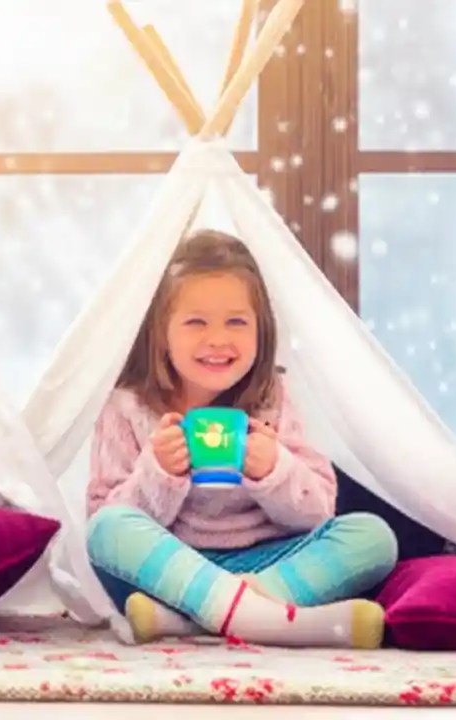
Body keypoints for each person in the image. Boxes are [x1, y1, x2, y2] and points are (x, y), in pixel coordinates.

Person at [85, 229, 398, 649]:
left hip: (266, 563)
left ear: (261, 331)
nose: (218, 339)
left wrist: (274, 469)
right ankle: (264, 618)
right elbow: (104, 518)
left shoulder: (273, 398)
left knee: (372, 536)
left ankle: (194, 620)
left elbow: (318, 512)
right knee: (106, 529)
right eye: (196, 322)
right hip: (169, 570)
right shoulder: (127, 407)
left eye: (236, 322)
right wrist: (158, 473)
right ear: (161, 333)